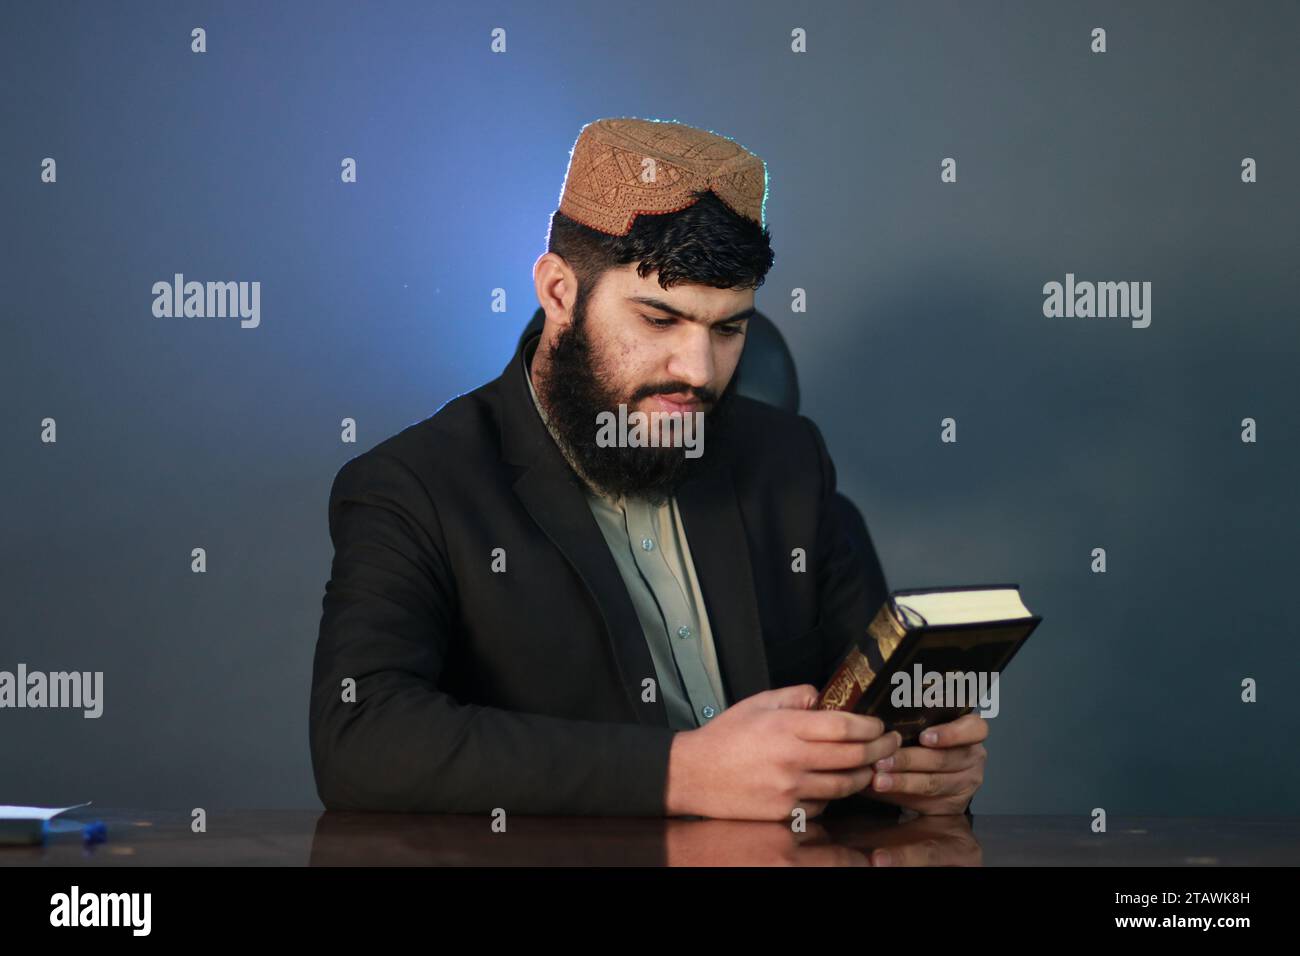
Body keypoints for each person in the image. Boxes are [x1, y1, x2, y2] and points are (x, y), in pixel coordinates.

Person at [309, 117, 988, 820]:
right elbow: (361, 736)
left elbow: (869, 701)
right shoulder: (412, 487)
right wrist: (683, 773)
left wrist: (921, 771)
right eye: (659, 321)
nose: (698, 372)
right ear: (559, 294)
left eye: (728, 329)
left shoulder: (789, 461)